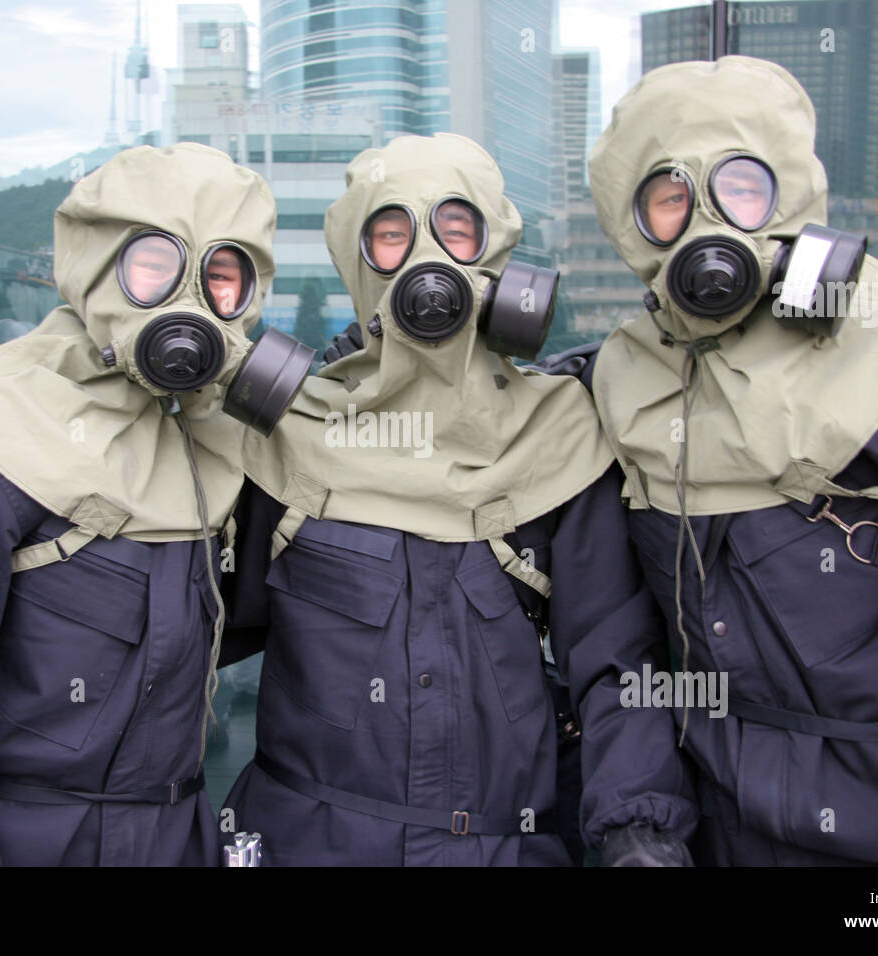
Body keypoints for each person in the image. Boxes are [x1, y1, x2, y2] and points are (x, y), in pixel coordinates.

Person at [575, 55, 878, 865]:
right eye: (672, 201)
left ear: (787, 197)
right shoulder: (626, 377)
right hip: (733, 826)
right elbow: (625, 643)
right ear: (635, 226)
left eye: (741, 189)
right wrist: (639, 822)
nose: (711, 223)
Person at [0, 143, 312, 865]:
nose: (192, 303)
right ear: (97, 266)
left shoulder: (215, 439)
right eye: (155, 267)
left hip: (180, 833)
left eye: (221, 277)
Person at [220, 133, 696, 866]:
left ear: (499, 259)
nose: (427, 260)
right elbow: (198, 635)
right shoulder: (286, 435)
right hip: (303, 844)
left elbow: (616, 662)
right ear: (360, 262)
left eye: (456, 230)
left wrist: (638, 830)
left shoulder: (557, 436)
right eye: (392, 235)